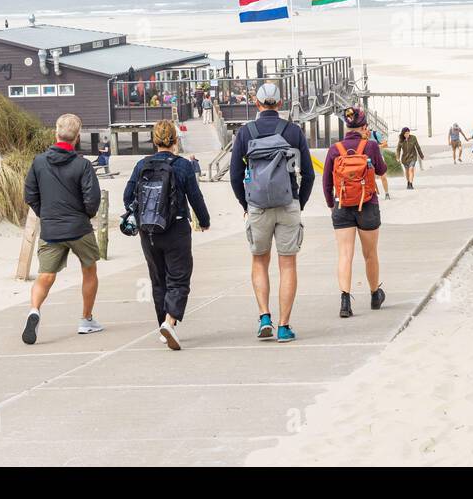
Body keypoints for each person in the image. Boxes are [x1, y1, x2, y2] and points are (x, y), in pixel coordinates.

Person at [229, 82, 314, 342]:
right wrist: (300, 202)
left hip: (257, 207)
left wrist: (246, 205)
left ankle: (264, 316)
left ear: (257, 103)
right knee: (287, 264)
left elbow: (234, 175)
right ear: (280, 103)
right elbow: (308, 174)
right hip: (288, 203)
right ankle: (283, 326)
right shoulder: (293, 131)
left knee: (259, 261)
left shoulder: (246, 133)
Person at [124, 120, 210, 351]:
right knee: (179, 278)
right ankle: (169, 322)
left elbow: (127, 196)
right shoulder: (182, 166)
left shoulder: (142, 165)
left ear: (154, 140)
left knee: (158, 279)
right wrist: (204, 221)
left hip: (148, 231)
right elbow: (195, 197)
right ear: (174, 140)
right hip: (176, 229)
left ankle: (163, 324)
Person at [21, 113, 103, 345]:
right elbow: (92, 200)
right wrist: (85, 216)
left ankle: (34, 310)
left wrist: (45, 214)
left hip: (51, 228)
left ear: (56, 133)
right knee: (89, 271)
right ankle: (86, 320)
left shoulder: (38, 161)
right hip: (78, 228)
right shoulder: (82, 164)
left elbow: (30, 195)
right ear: (77, 137)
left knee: (45, 276)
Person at [323, 107, 387, 318]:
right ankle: (374, 294)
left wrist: (332, 204)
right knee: (370, 254)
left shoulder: (335, 149)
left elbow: (326, 182)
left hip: (342, 205)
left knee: (345, 254)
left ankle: (345, 300)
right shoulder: (370, 146)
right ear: (364, 126)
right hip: (367, 204)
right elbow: (381, 170)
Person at [371, 129, 393, 199]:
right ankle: (374, 193)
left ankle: (386, 193)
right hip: (369, 159)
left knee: (383, 176)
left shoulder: (375, 134)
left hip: (379, 157)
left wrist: (377, 147)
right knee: (370, 177)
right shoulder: (360, 136)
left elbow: (385, 144)